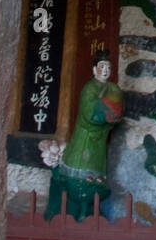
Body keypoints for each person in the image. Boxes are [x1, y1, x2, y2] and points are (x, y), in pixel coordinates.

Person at [45, 49, 123, 222]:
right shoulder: (89, 88)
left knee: (96, 176)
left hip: (100, 139)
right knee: (79, 173)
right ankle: (76, 210)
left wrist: (109, 112)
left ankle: (88, 211)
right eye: (102, 66)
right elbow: (90, 114)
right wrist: (106, 110)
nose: (105, 70)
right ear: (94, 70)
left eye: (108, 67)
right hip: (86, 136)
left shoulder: (113, 88)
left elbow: (116, 111)